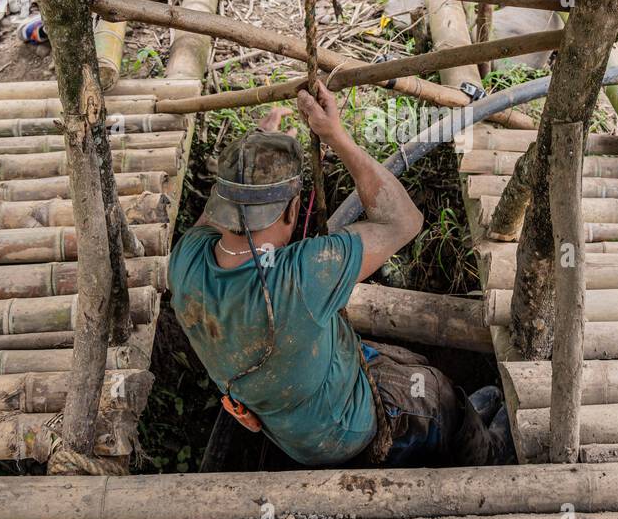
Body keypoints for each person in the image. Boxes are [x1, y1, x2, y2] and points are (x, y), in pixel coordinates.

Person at [167, 81, 512, 468]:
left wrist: (256, 151)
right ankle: (488, 447)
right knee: (438, 394)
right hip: (345, 431)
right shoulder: (303, 274)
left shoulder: (186, 260)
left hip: (290, 429)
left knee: (401, 359)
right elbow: (405, 221)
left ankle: (468, 419)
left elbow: (221, 208)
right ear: (291, 212)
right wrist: (336, 136)